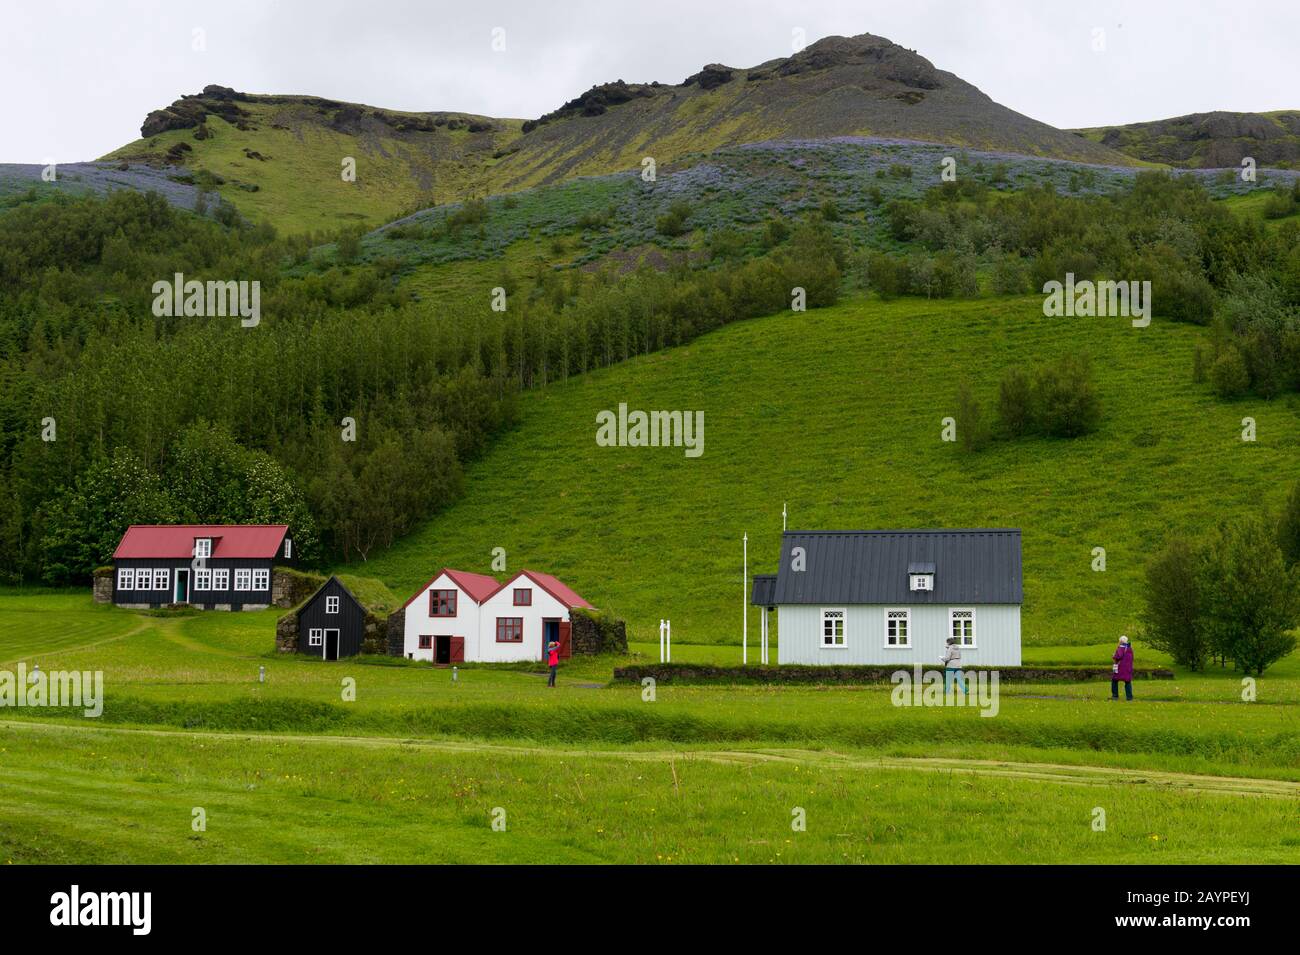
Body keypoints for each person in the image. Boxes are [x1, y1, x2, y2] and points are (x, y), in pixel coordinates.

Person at [1110, 635, 1134, 701]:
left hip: (1120, 667)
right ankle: (1129, 697)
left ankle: (1115, 696)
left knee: (1114, 680)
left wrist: (1113, 656)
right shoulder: (1130, 648)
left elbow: (1118, 656)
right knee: (1127, 681)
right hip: (1128, 668)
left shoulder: (1120, 648)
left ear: (1120, 641)